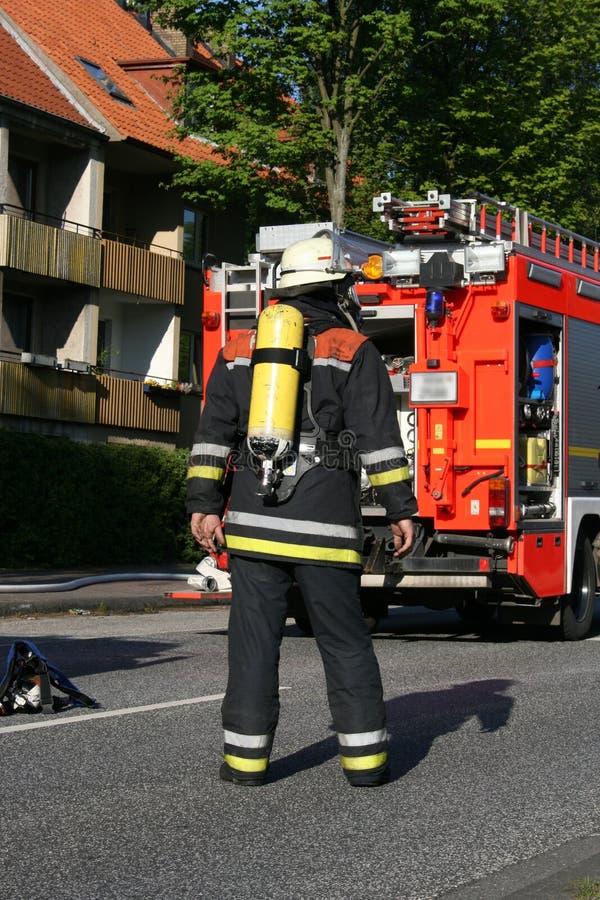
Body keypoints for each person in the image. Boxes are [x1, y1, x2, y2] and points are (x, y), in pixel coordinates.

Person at [187, 234, 417, 787]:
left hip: (253, 524)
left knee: (253, 646)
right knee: (344, 643)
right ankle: (365, 764)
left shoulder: (238, 347)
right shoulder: (353, 348)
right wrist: (400, 509)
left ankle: (245, 763)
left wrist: (204, 505)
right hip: (326, 527)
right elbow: (378, 439)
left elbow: (213, 433)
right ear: (335, 288)